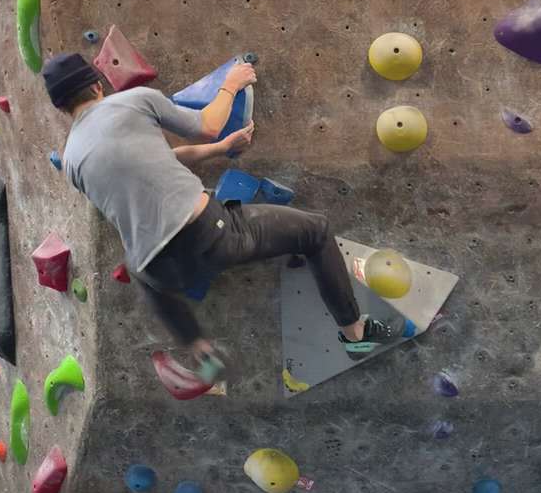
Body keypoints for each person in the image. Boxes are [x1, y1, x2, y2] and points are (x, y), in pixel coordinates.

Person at [42, 52, 415, 377]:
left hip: (159, 269)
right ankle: (355, 335)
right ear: (96, 86)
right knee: (315, 231)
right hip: (210, 236)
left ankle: (200, 350)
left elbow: (155, 163)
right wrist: (230, 85)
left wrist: (219, 150)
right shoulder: (134, 100)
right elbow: (207, 124)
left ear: (62, 108)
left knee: (144, 274)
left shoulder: (72, 158)